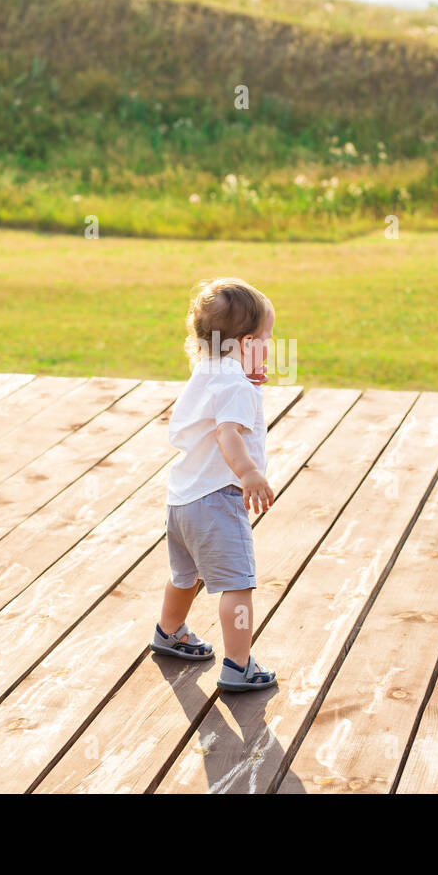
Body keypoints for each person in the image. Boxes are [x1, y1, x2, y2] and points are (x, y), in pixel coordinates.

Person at [150, 276, 279, 691]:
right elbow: (228, 433)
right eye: (265, 337)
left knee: (186, 575)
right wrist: (249, 473)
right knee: (238, 583)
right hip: (218, 500)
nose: (270, 346)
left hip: (182, 499)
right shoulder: (236, 386)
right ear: (243, 343)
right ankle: (239, 665)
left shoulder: (207, 372)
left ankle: (169, 632)